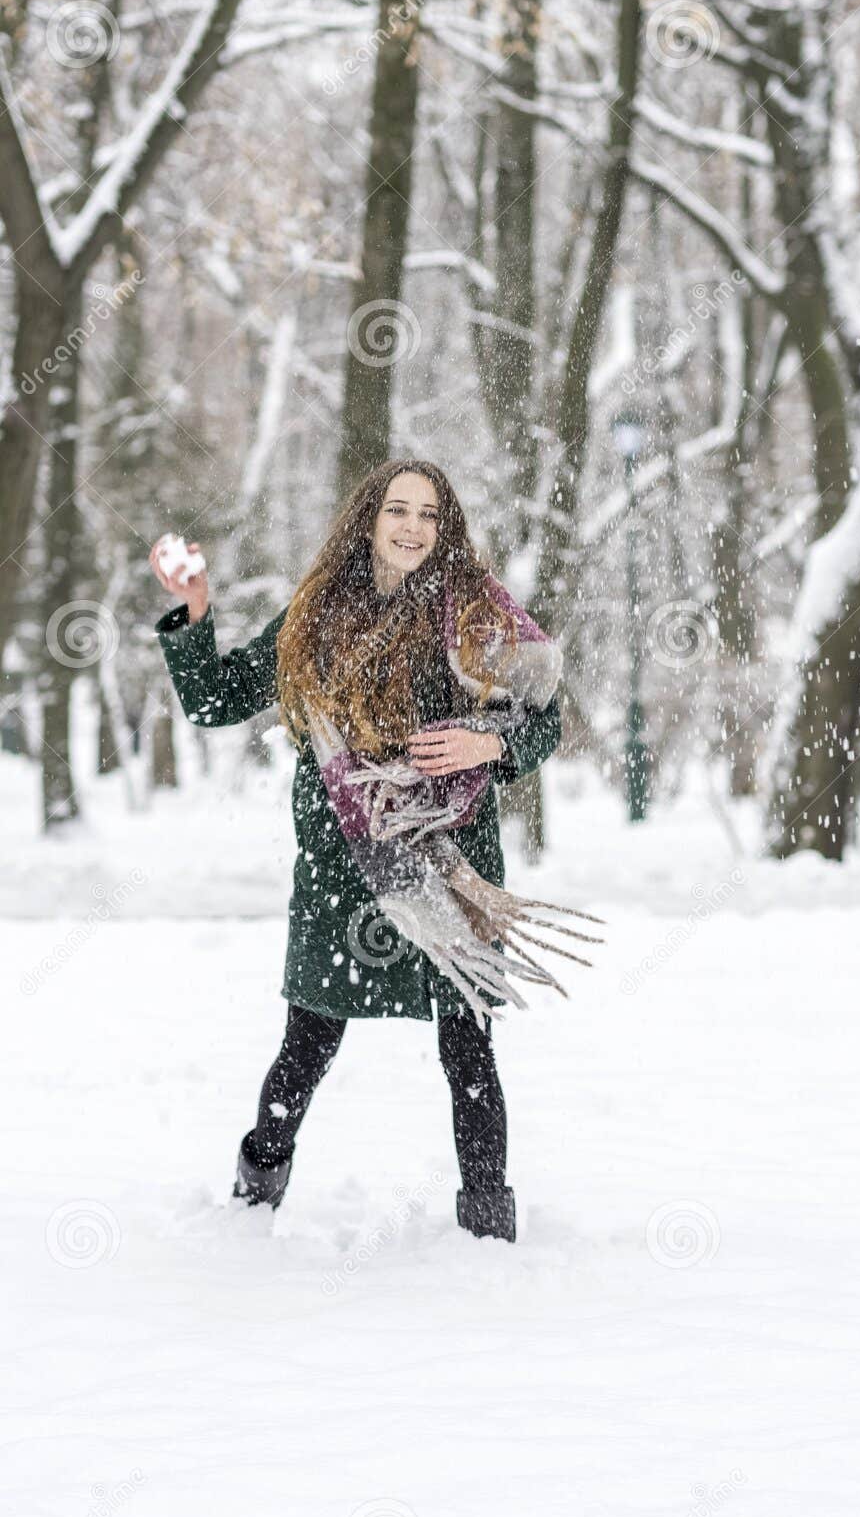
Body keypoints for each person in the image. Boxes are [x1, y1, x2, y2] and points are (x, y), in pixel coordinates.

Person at [150, 460, 562, 1243]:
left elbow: (543, 713)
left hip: (452, 870)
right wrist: (194, 610)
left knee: (467, 1049)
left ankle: (488, 1227)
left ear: (446, 529)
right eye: (397, 510)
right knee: (306, 1046)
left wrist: (488, 741)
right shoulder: (315, 614)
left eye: (429, 515)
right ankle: (249, 1207)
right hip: (345, 869)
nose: (412, 527)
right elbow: (215, 700)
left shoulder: (475, 614)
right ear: (368, 519)